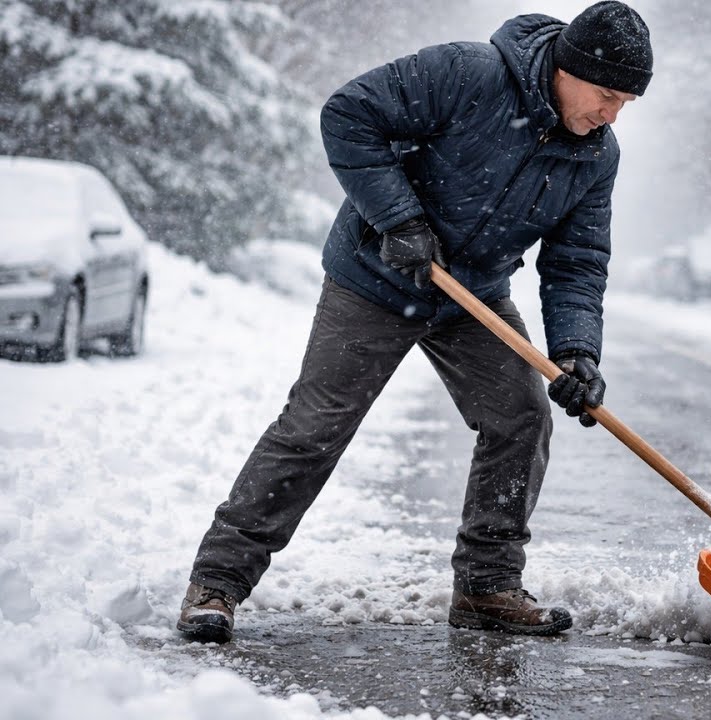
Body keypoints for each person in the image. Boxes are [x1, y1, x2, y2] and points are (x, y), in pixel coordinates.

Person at [177, 1, 652, 644]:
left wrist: (576, 354)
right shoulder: (470, 74)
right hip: (373, 278)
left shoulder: (595, 157)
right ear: (567, 67)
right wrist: (399, 219)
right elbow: (349, 114)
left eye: (626, 102)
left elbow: (575, 262)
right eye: (606, 94)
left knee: (520, 418)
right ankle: (217, 583)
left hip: (471, 296)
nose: (612, 114)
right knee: (317, 424)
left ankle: (488, 588)